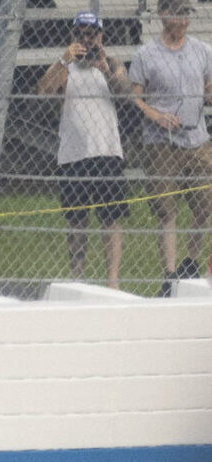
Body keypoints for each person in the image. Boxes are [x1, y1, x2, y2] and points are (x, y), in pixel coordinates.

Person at [38, 12, 130, 289]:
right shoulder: (65, 66)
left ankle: (112, 280)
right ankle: (77, 278)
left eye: (92, 34)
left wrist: (104, 68)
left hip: (107, 150)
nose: (86, 40)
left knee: (111, 218)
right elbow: (44, 91)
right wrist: (64, 60)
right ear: (72, 35)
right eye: (80, 34)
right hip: (73, 153)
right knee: (76, 220)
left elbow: (125, 94)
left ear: (100, 36)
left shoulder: (113, 63)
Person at [126, 0, 212, 292]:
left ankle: (191, 261)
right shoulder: (146, 55)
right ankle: (170, 275)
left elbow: (208, 89)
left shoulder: (202, 51)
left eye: (187, 15)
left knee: (205, 203)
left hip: (197, 139)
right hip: (161, 143)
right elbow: (135, 98)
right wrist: (157, 116)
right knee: (166, 210)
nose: (184, 21)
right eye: (178, 14)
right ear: (163, 14)